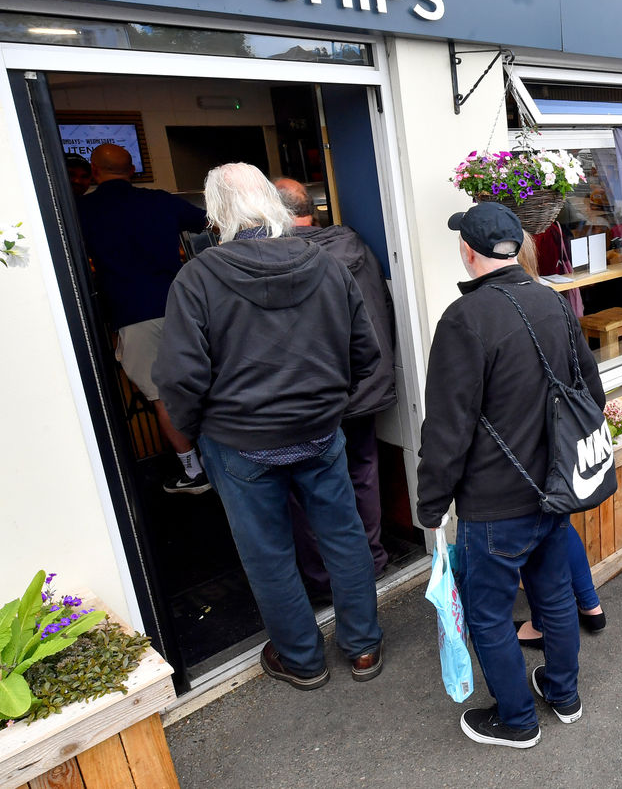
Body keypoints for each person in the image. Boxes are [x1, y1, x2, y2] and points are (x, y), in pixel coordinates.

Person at [154, 162, 384, 691]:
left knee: (269, 552)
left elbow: (179, 377)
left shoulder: (198, 277)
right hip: (320, 432)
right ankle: (363, 647)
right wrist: (326, 401)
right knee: (345, 538)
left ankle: (302, 661)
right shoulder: (325, 264)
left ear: (216, 214)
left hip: (240, 443)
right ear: (273, 206)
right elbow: (365, 353)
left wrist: (193, 434)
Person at [415, 203, 602, 747]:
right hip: (556, 486)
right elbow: (589, 389)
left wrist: (431, 505)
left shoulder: (464, 318)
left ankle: (517, 721)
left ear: (468, 252)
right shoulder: (552, 300)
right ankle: (563, 695)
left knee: (488, 613)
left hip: (495, 503)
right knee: (554, 596)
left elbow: (447, 428)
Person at [275, 178, 397, 589]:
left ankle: (327, 578)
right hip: (364, 383)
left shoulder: (281, 261)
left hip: (313, 395)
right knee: (362, 471)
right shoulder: (355, 246)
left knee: (307, 489)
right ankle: (372, 559)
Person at [76, 143, 211, 493]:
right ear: (133, 169)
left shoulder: (83, 210)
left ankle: (193, 471)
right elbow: (206, 220)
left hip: (133, 312)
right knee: (204, 381)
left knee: (160, 394)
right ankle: (223, 456)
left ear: (94, 171)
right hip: (182, 305)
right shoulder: (159, 201)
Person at [510, 231, 605, 650]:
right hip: (561, 432)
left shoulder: (500, 308)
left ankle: (547, 622)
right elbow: (587, 373)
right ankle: (589, 604)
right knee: (558, 523)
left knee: (539, 534)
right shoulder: (551, 300)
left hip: (523, 442)